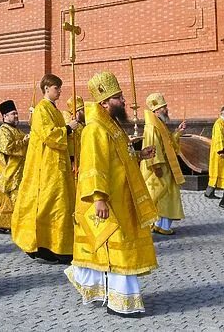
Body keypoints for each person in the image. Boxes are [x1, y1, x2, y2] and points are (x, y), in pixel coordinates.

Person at [65, 71, 158, 316]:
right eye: (118, 97)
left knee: (114, 247)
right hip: (107, 201)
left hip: (122, 198)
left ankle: (101, 290)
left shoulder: (112, 126)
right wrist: (99, 198)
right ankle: (121, 300)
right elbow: (94, 166)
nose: (124, 101)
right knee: (116, 247)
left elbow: (118, 160)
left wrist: (139, 155)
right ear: (104, 102)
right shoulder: (95, 129)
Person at [11, 73, 78, 264]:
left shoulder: (55, 110)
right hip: (46, 167)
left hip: (58, 164)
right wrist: (68, 129)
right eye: (57, 88)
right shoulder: (41, 110)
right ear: (47, 88)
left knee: (61, 206)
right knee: (49, 205)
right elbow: (49, 135)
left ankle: (58, 244)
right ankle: (42, 246)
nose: (60, 91)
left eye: (60, 88)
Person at [140, 93, 187, 235]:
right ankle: (160, 225)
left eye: (165, 107)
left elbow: (168, 143)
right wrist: (156, 166)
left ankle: (159, 224)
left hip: (166, 167)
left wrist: (178, 132)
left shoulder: (160, 125)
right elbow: (152, 146)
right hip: (158, 168)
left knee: (164, 197)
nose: (167, 109)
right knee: (159, 196)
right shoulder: (151, 127)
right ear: (155, 111)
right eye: (163, 108)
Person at [0, 100, 28, 234]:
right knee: (12, 200)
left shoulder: (16, 130)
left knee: (9, 201)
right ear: (4, 116)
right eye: (13, 114)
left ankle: (6, 224)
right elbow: (7, 148)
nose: (16, 116)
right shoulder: (3, 131)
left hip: (18, 172)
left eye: (16, 114)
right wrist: (25, 141)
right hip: (8, 172)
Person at [204, 106, 224, 198]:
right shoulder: (219, 124)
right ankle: (209, 192)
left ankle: (211, 192)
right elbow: (218, 137)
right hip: (220, 152)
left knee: (222, 171)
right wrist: (221, 150)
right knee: (216, 171)